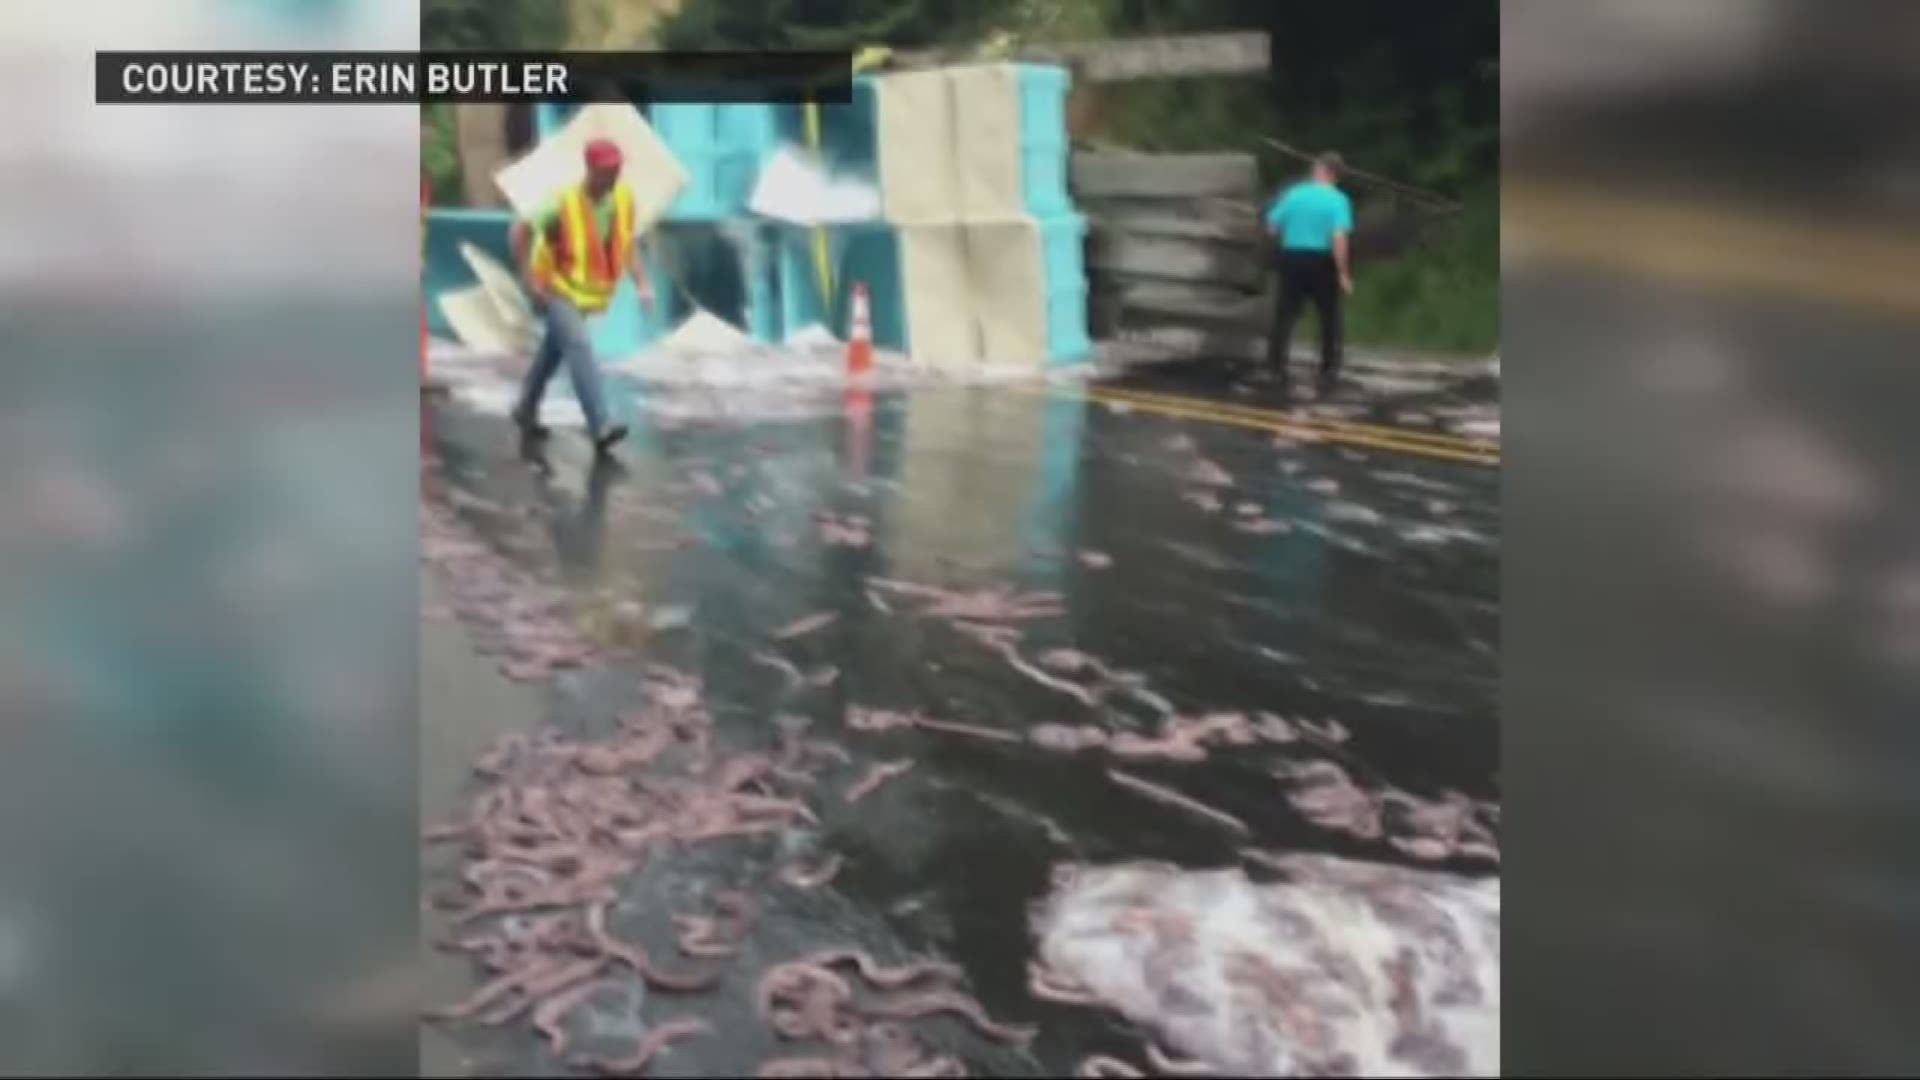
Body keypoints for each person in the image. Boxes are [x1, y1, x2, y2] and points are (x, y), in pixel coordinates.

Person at [509, 137, 654, 454]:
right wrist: (528, 279)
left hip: (587, 295)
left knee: (553, 352)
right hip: (554, 287)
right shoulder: (562, 200)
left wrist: (642, 283)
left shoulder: (623, 199)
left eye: (618, 169)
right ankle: (599, 425)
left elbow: (626, 244)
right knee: (578, 346)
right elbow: (519, 230)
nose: (615, 175)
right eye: (608, 170)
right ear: (590, 169)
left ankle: (525, 407)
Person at [1263, 151, 1354, 397]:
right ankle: (1328, 368)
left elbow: (1272, 226)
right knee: (1328, 315)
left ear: (1320, 171)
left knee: (1285, 313)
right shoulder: (1338, 200)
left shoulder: (1294, 194)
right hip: (1321, 260)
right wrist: (1343, 272)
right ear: (1335, 175)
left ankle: (1275, 365)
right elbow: (1339, 237)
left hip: (1292, 257)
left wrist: (1290, 231)